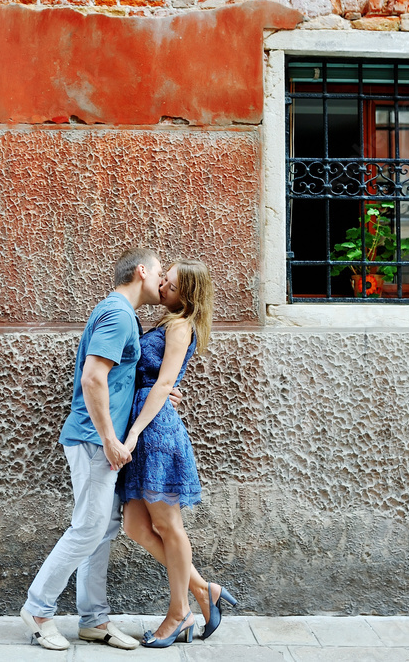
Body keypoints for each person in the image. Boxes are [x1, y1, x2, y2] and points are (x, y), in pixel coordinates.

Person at [20, 248, 165, 651]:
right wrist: (109, 439)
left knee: (101, 530)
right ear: (141, 272)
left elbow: (115, 378)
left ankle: (94, 620)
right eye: (158, 272)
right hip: (92, 439)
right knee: (88, 527)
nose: (162, 280)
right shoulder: (118, 314)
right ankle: (38, 609)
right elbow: (93, 378)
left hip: (99, 440)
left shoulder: (120, 314)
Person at [117, 259, 237, 647]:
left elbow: (165, 379)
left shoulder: (181, 326)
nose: (162, 286)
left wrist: (134, 431)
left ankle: (179, 612)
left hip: (153, 433)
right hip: (146, 421)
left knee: (170, 527)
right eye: (163, 279)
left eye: (169, 283)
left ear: (187, 294)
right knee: (135, 526)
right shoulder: (167, 323)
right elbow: (154, 379)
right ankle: (205, 590)